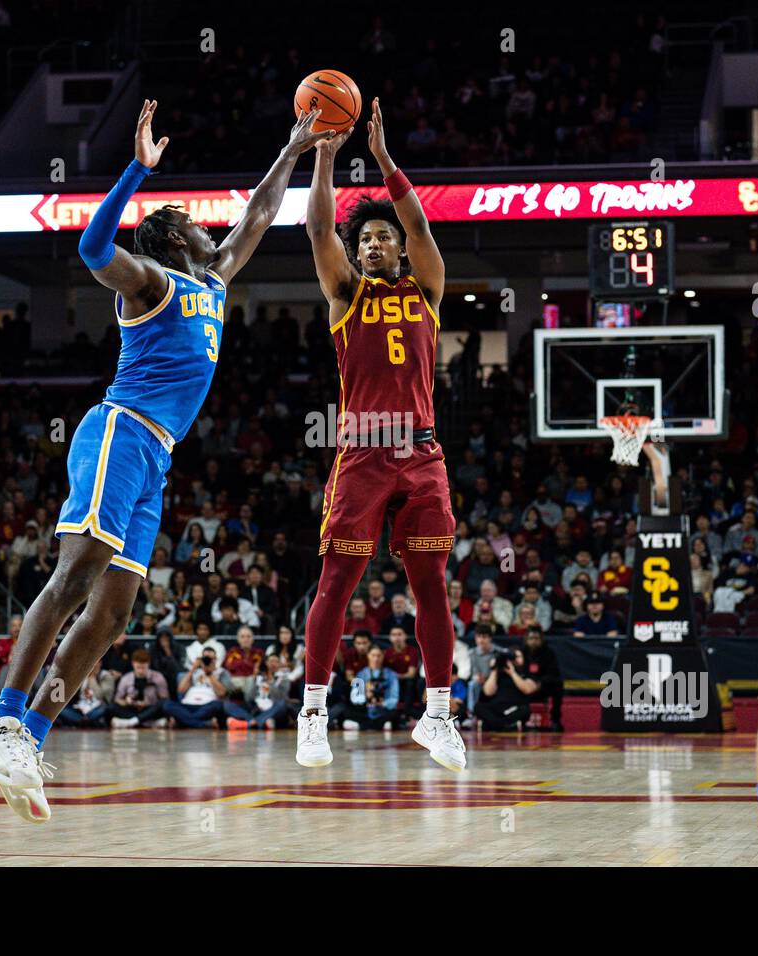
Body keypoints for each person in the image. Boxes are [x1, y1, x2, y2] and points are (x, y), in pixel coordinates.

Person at [0, 101, 331, 823]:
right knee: (76, 574)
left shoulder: (216, 280)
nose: (211, 228)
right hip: (119, 434)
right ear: (173, 238)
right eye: (196, 222)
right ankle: (2, 720)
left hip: (156, 456)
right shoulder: (152, 281)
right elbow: (92, 250)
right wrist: (138, 169)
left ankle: (32, 738)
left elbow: (258, 217)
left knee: (111, 614)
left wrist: (295, 150)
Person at [296, 97, 464, 774]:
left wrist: (388, 162)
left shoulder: (426, 288)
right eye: (362, 238)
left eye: (380, 237)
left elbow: (420, 223)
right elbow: (315, 232)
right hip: (363, 448)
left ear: (398, 248)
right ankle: (312, 713)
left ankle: (440, 716)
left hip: (421, 450)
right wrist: (328, 158)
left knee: (430, 581)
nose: (371, 244)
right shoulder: (344, 294)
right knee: (338, 578)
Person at [342, 646, 401, 730]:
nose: (376, 659)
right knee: (346, 711)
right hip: (366, 710)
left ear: (383, 656)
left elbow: (394, 698)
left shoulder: (391, 674)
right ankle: (379, 725)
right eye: (373, 655)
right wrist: (366, 695)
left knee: (396, 714)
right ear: (368, 655)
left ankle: (363, 725)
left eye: (378, 656)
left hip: (383, 710)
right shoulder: (361, 674)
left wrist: (382, 703)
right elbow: (355, 697)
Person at [107, 649, 168, 728]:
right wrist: (126, 701)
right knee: (111, 707)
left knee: (164, 705)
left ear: (148, 664)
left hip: (150, 708)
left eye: (143, 667)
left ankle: (131, 722)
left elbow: (164, 699)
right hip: (132, 709)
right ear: (133, 664)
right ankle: (148, 723)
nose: (140, 671)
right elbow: (117, 699)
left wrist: (149, 702)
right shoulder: (126, 678)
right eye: (138, 667)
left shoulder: (158, 677)